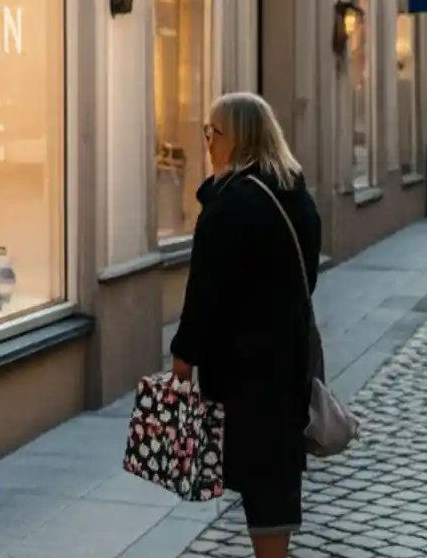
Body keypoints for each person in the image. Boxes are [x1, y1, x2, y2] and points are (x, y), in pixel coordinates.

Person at [171, 92, 320, 558]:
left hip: (243, 370)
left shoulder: (231, 203)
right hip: (288, 360)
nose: (207, 143)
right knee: (274, 478)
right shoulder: (296, 193)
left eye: (213, 133)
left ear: (237, 139)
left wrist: (184, 356)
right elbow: (306, 279)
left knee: (256, 472)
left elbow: (205, 291)